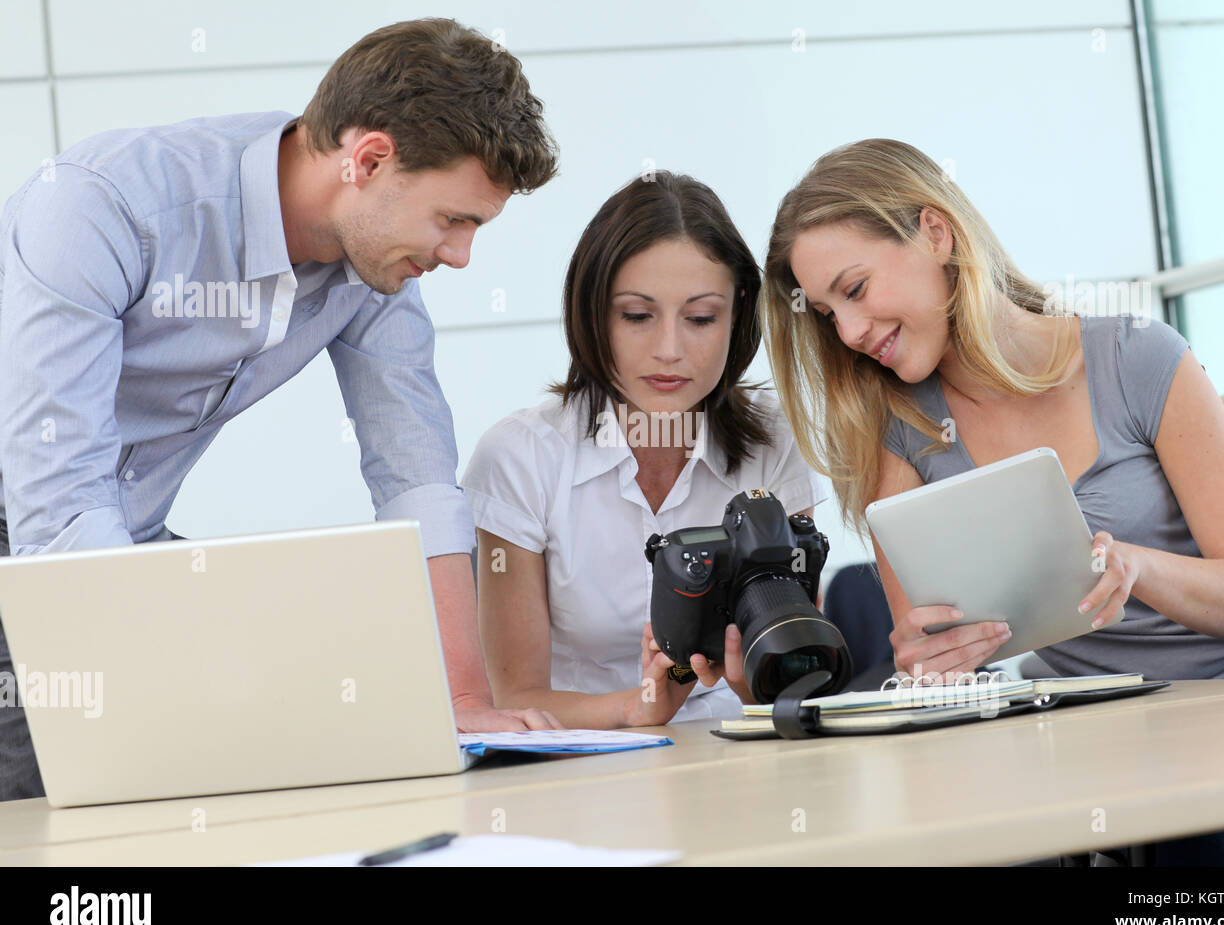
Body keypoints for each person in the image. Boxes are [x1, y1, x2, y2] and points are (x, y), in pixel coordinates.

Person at [0, 18, 564, 801]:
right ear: (368, 159)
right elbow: (57, 509)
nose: (460, 256)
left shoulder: (374, 267)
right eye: (454, 220)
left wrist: (464, 703)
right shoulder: (106, 209)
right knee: (71, 800)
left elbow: (418, 482)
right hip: (39, 538)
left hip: (112, 538)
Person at [761, 137, 1224, 865]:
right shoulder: (901, 434)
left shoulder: (1136, 356)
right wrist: (932, 668)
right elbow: (931, 658)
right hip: (1151, 735)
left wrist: (1135, 568)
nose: (851, 333)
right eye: (826, 315)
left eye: (854, 290)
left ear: (936, 233)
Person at [462, 172, 828, 728]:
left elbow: (792, 674)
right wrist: (640, 708)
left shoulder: (774, 443)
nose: (669, 350)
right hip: (578, 772)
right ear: (594, 315)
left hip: (733, 755)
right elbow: (516, 699)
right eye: (637, 316)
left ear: (737, 318)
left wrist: (755, 684)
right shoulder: (520, 458)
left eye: (702, 318)